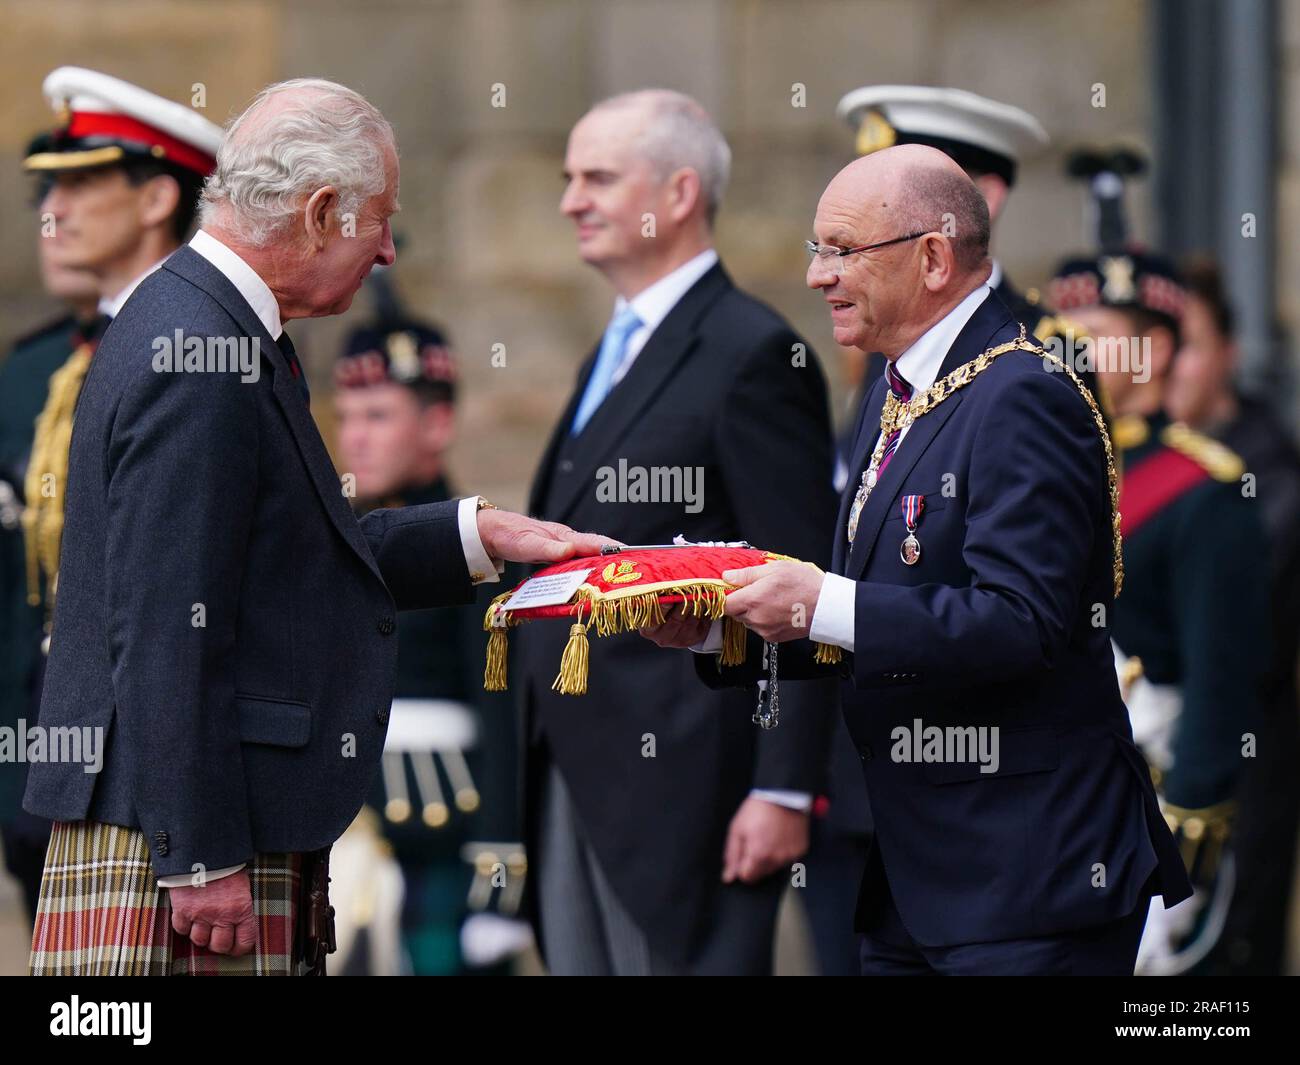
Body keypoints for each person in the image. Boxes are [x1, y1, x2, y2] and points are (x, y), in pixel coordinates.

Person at [23, 77, 610, 977]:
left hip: (189, 826)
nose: (384, 252)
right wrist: (201, 853)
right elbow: (164, 621)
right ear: (322, 210)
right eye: (378, 220)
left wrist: (478, 536)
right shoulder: (203, 349)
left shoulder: (213, 324)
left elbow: (280, 558)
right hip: (186, 849)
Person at [647, 144, 1191, 975]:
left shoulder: (1022, 393)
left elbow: (1020, 623)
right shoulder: (892, 389)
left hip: (1028, 876)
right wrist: (715, 627)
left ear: (933, 257)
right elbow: (878, 624)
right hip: (920, 876)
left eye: (841, 249)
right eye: (815, 249)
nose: (817, 276)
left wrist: (818, 596)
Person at [517, 89, 838, 975]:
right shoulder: (616, 346)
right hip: (575, 757)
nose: (570, 199)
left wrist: (782, 784)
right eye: (569, 177)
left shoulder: (751, 351)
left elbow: (802, 578)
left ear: (681, 192)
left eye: (599, 177)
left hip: (691, 778)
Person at [2, 68, 223, 928]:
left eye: (82, 181)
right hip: (38, 755)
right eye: (49, 186)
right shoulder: (35, 370)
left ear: (156, 196)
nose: (54, 209)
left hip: (149, 770)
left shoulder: (204, 351)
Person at [1050, 251, 1273, 973]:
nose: (1071, 349)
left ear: (1155, 349)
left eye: (1097, 331)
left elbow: (1220, 681)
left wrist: (1186, 835)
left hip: (1142, 800)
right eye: (1063, 329)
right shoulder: (1042, 468)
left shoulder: (1203, 490)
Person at [331, 308, 525, 974]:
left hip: (439, 838)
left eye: (378, 416)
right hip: (335, 835)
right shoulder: (324, 544)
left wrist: (499, 884)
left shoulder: (482, 549)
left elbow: (504, 719)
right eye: (347, 416)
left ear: (436, 423)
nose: (354, 437)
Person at [1166, 258, 1300, 974]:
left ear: (1229, 355)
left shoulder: (1265, 478)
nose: (1164, 366)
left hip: (1235, 787)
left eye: (1184, 344)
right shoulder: (1131, 465)